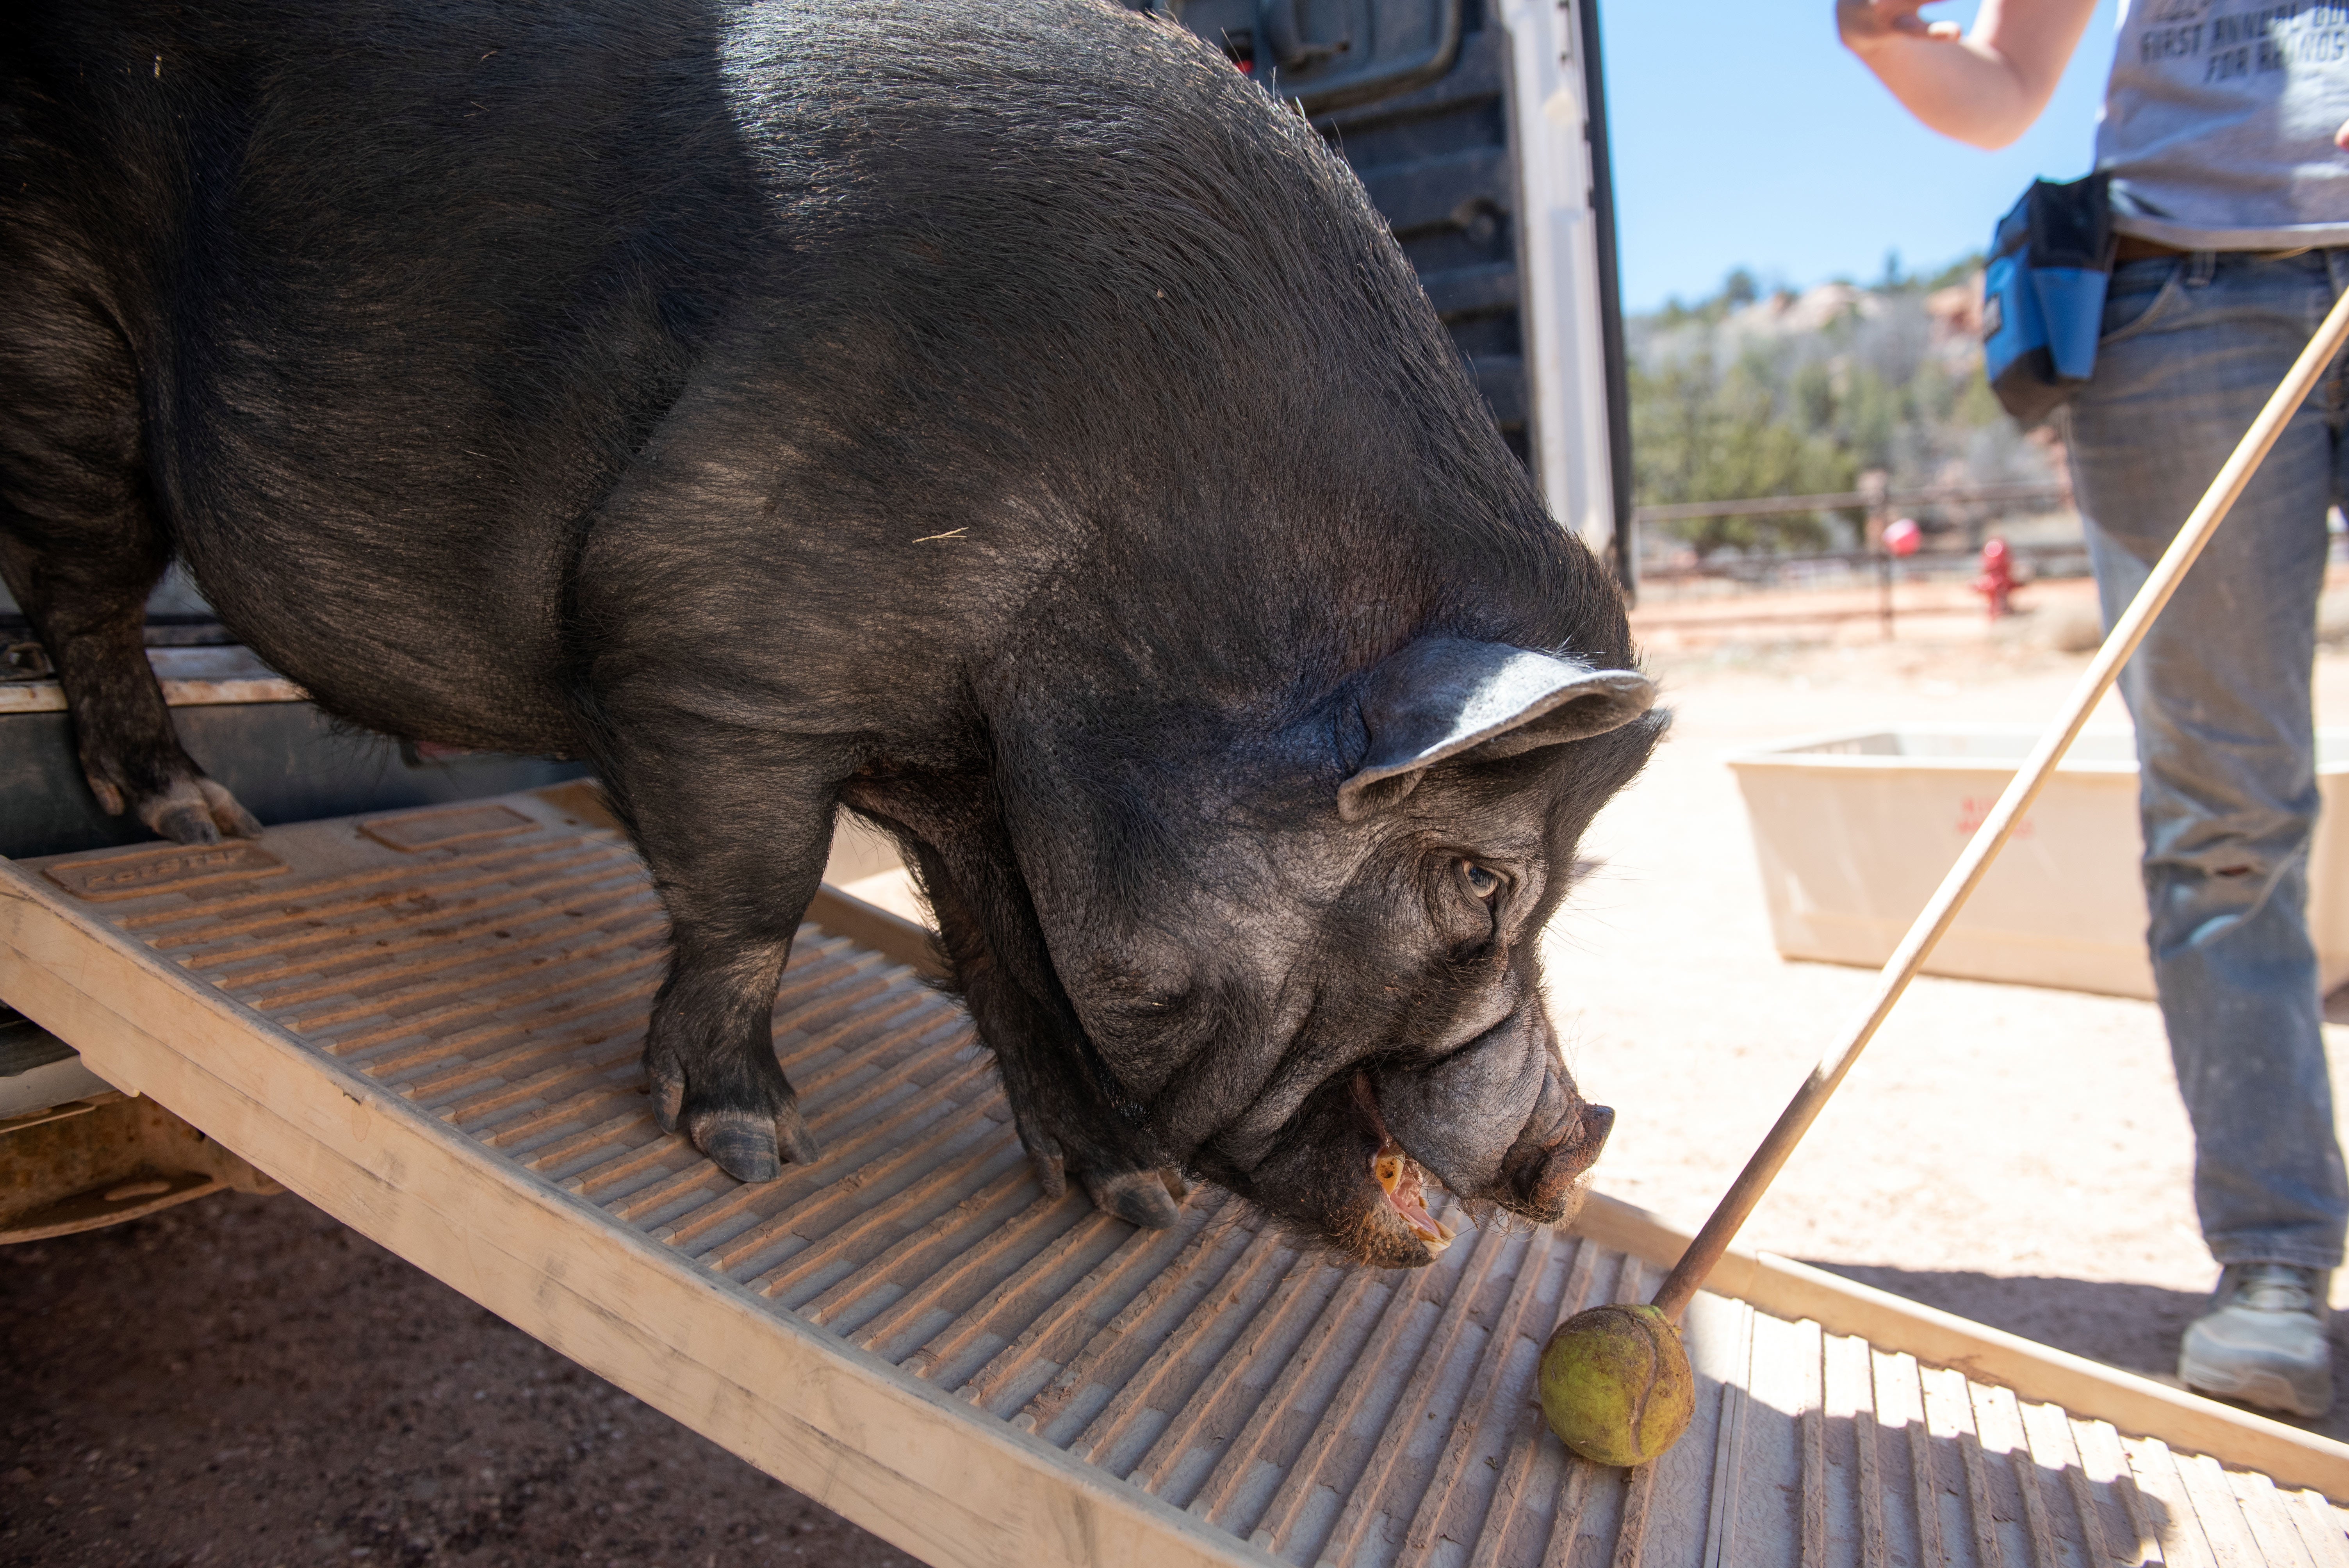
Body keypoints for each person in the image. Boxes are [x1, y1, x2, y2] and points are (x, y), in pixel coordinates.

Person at [1841, 0, 2349, 1418]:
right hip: (2185, 304)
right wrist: (1884, 43)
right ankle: (2275, 1259)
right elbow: (2007, 88)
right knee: (2226, 811)